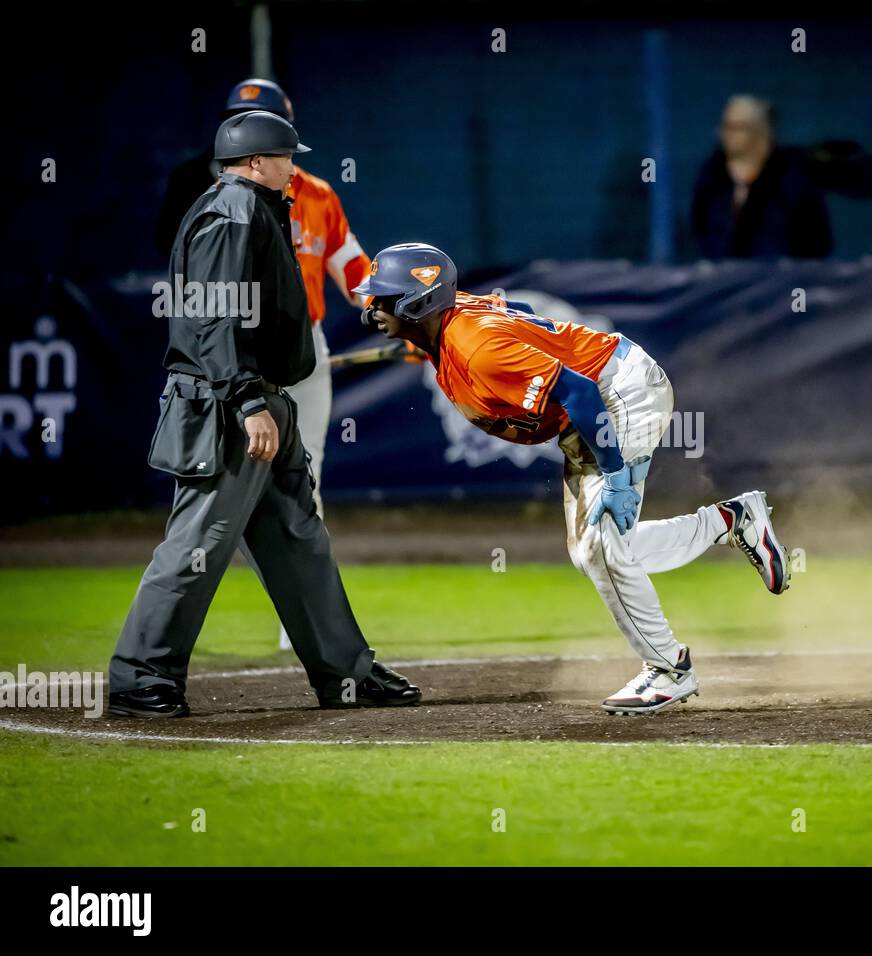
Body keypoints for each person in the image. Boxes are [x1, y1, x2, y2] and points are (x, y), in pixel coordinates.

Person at [352, 243, 791, 715]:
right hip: (606, 390)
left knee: (603, 550)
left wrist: (617, 473)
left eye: (385, 297)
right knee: (593, 553)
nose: (372, 306)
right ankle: (730, 522)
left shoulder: (477, 348)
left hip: (615, 395)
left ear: (420, 303)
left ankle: (669, 671)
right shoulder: (457, 329)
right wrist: (434, 348)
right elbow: (517, 313)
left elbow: (578, 392)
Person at [108, 111, 419, 718]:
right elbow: (214, 318)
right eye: (285, 157)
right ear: (255, 163)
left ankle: (345, 673)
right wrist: (249, 398)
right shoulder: (232, 211)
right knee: (199, 542)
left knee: (300, 539)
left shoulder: (252, 206)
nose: (293, 167)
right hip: (227, 406)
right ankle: (140, 676)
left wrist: (263, 396)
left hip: (261, 397)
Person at [690, 95, 832, 258]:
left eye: (738, 127)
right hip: (724, 277)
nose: (727, 135)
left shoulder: (794, 180)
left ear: (762, 132)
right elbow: (701, 228)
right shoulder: (712, 177)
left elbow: (816, 241)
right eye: (725, 126)